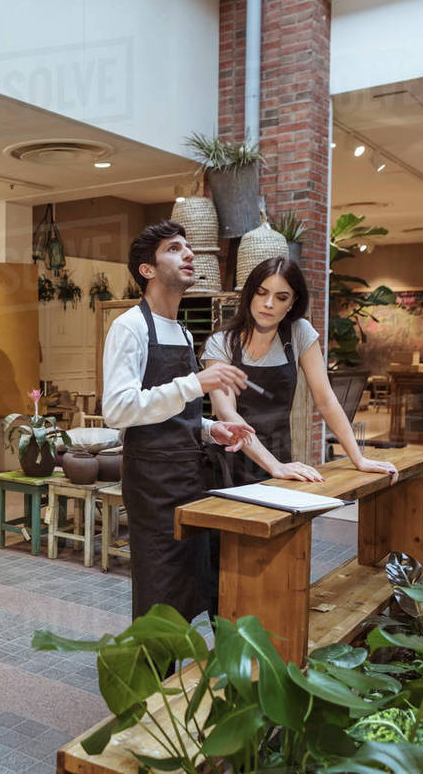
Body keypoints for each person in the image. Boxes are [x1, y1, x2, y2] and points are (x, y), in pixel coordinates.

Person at [102, 220, 255, 622]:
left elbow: (171, 412)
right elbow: (118, 410)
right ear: (147, 270)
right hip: (153, 485)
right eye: (173, 249)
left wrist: (209, 429)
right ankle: (156, 666)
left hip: (190, 477)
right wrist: (195, 383)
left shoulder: (183, 333)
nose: (188, 254)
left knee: (193, 583)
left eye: (187, 247)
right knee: (160, 593)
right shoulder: (129, 327)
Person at [202, 256, 399, 486]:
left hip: (280, 456)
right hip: (230, 462)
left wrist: (359, 459)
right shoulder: (221, 343)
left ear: (292, 302)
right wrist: (274, 466)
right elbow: (227, 413)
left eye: (281, 297)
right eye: (261, 293)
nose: (268, 303)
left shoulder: (299, 333)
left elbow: (325, 400)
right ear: (249, 294)